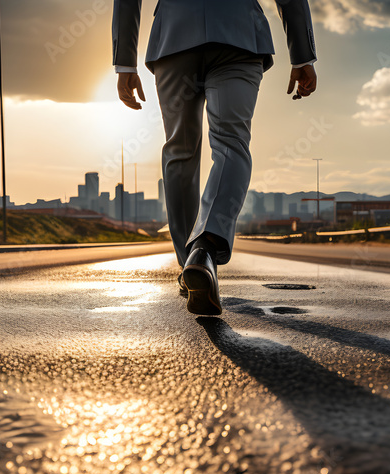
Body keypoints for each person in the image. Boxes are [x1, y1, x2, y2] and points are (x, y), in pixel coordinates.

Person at [112, 0, 318, 315]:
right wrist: (302, 53)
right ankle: (204, 248)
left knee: (180, 151)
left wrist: (124, 62)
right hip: (239, 36)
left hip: (174, 37)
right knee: (231, 144)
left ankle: (191, 264)